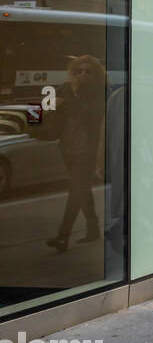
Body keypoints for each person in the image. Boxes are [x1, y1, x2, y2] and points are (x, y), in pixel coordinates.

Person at [45, 54, 107, 252]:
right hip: (67, 147)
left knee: (76, 190)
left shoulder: (99, 91)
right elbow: (38, 111)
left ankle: (63, 236)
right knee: (82, 189)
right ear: (73, 71)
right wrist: (51, 106)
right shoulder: (63, 88)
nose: (83, 74)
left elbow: (91, 115)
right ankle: (93, 228)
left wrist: (71, 96)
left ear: (95, 74)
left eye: (88, 71)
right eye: (79, 71)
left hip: (88, 150)